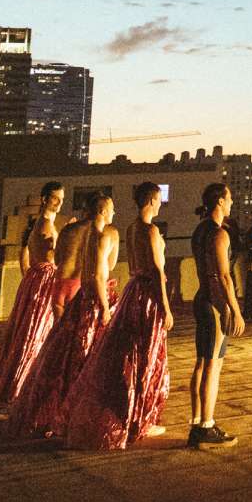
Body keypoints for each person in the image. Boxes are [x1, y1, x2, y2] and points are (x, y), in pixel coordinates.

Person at [64, 182, 173, 450]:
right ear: (150, 200)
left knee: (130, 354)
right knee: (147, 356)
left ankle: (134, 414)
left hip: (132, 293)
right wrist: (167, 308)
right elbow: (157, 271)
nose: (160, 204)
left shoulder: (130, 228)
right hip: (147, 294)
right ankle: (140, 418)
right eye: (158, 200)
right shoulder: (150, 229)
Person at [9, 192, 119, 439]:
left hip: (59, 285)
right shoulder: (101, 232)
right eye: (111, 208)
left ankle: (46, 403)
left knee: (57, 348)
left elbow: (58, 258)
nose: (114, 213)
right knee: (78, 352)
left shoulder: (69, 229)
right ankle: (68, 405)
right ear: (100, 211)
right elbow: (105, 268)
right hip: (78, 287)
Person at [0, 181, 64, 405]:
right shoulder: (45, 224)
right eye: (56, 198)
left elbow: (28, 254)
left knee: (28, 329)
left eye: (62, 198)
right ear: (45, 198)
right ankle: (21, 382)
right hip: (43, 281)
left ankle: (17, 380)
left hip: (37, 280)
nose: (60, 202)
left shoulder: (42, 224)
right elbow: (51, 256)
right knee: (34, 331)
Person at [188, 183, 245, 450]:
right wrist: (234, 309)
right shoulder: (220, 234)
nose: (232, 202)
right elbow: (223, 275)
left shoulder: (200, 230)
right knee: (213, 365)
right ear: (220, 202)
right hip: (214, 304)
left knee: (202, 362)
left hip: (201, 298)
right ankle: (206, 427)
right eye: (229, 198)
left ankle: (198, 421)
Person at [50, 198, 91, 320]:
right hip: (79, 284)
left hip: (60, 281)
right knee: (76, 332)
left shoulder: (67, 229)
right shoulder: (97, 231)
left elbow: (57, 260)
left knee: (58, 332)